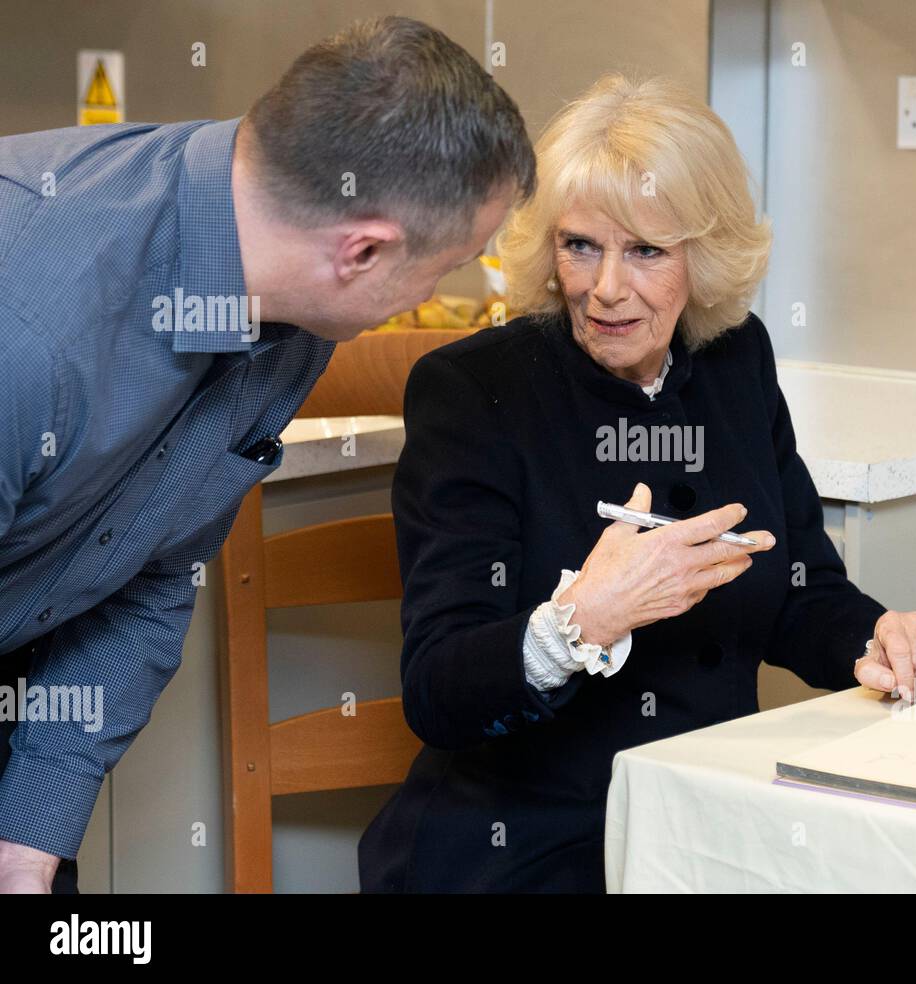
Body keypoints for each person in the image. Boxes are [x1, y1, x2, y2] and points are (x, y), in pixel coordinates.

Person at [359, 74, 916, 893]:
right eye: (580, 245)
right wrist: (580, 621)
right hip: (528, 846)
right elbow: (437, 694)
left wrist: (878, 639)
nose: (607, 288)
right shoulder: (475, 393)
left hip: (706, 826)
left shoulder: (734, 359)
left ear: (703, 255)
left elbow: (797, 592)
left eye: (645, 250)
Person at [0, 16, 535, 894]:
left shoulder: (286, 303)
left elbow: (149, 574)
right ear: (363, 250)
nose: (438, 297)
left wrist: (27, 843)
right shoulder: (29, 328)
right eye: (453, 267)